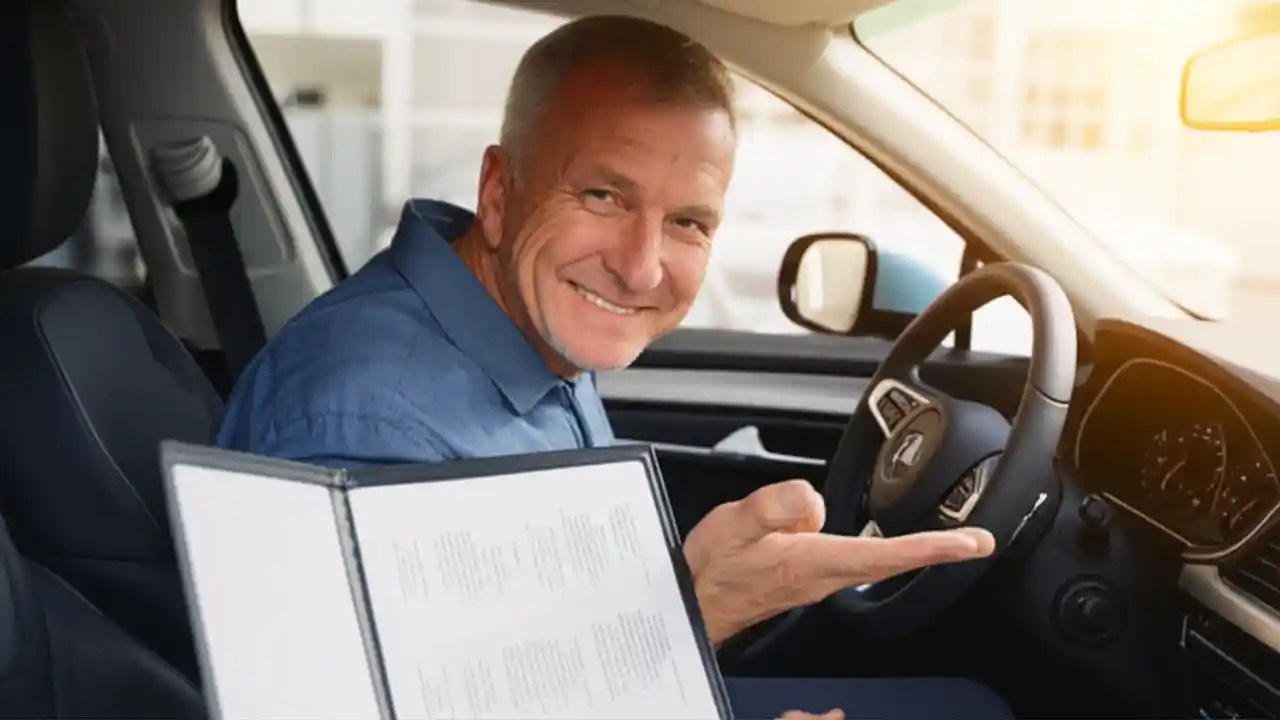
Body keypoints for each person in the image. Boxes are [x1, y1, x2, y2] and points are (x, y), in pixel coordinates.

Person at [217, 14, 1010, 720]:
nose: (641, 268)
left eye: (688, 222)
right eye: (602, 195)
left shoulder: (522, 329)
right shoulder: (364, 425)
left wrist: (684, 612)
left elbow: (507, 654)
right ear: (499, 192)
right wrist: (693, 613)